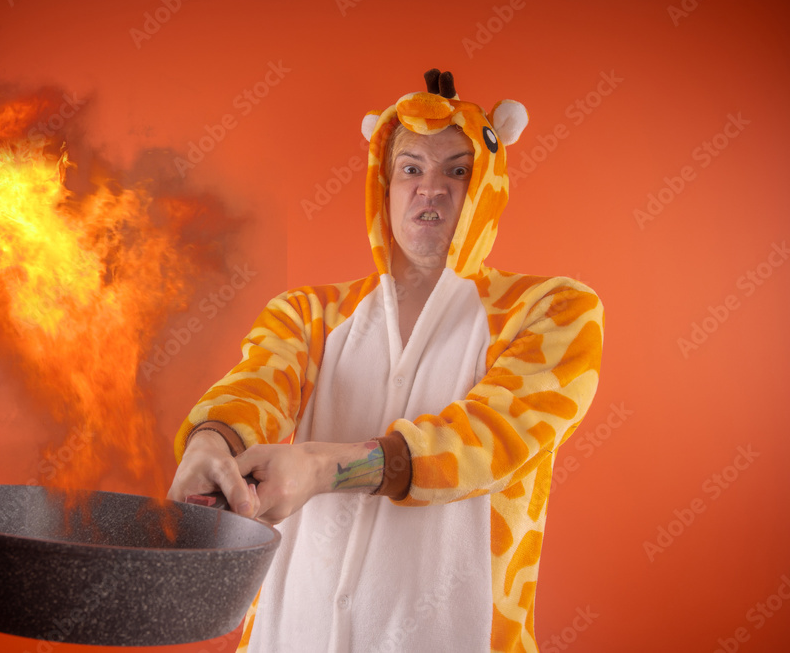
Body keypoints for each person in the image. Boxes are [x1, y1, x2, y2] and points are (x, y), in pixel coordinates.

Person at [167, 69, 605, 653]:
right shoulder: (307, 314)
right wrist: (210, 445)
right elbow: (257, 386)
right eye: (411, 168)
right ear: (385, 184)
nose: (431, 188)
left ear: (486, 187)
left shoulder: (552, 311)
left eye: (457, 169)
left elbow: (489, 440)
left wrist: (324, 468)